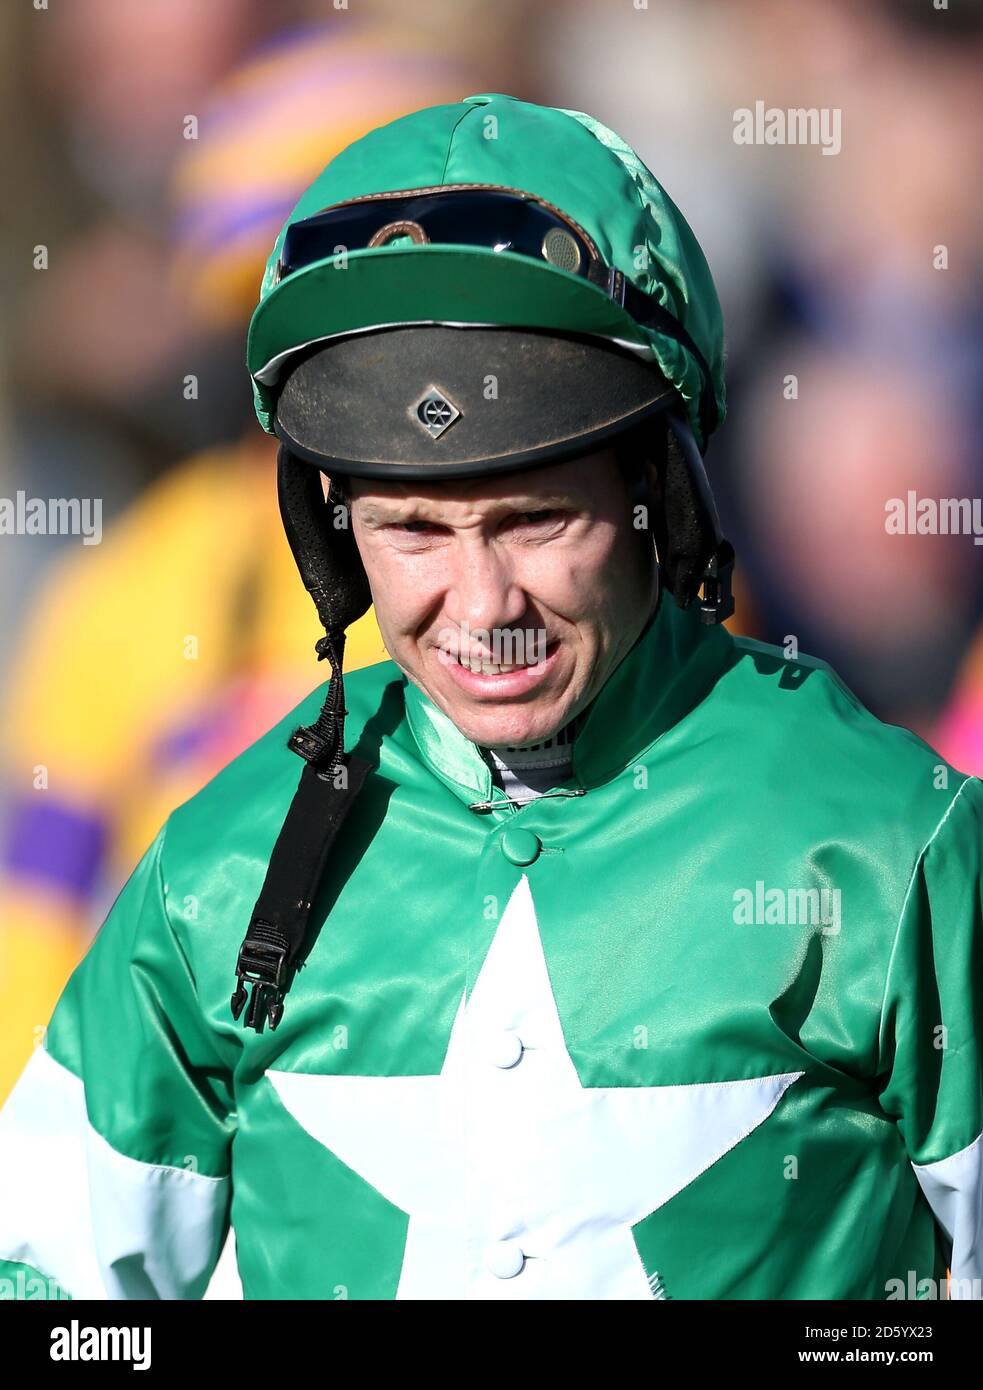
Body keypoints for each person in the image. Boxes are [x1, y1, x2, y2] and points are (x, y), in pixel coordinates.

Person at [0, 93, 980, 1301]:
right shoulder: (217, 862)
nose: (479, 606)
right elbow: (51, 1289)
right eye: (410, 529)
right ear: (328, 532)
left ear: (657, 500)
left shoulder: (896, 841)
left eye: (534, 520)